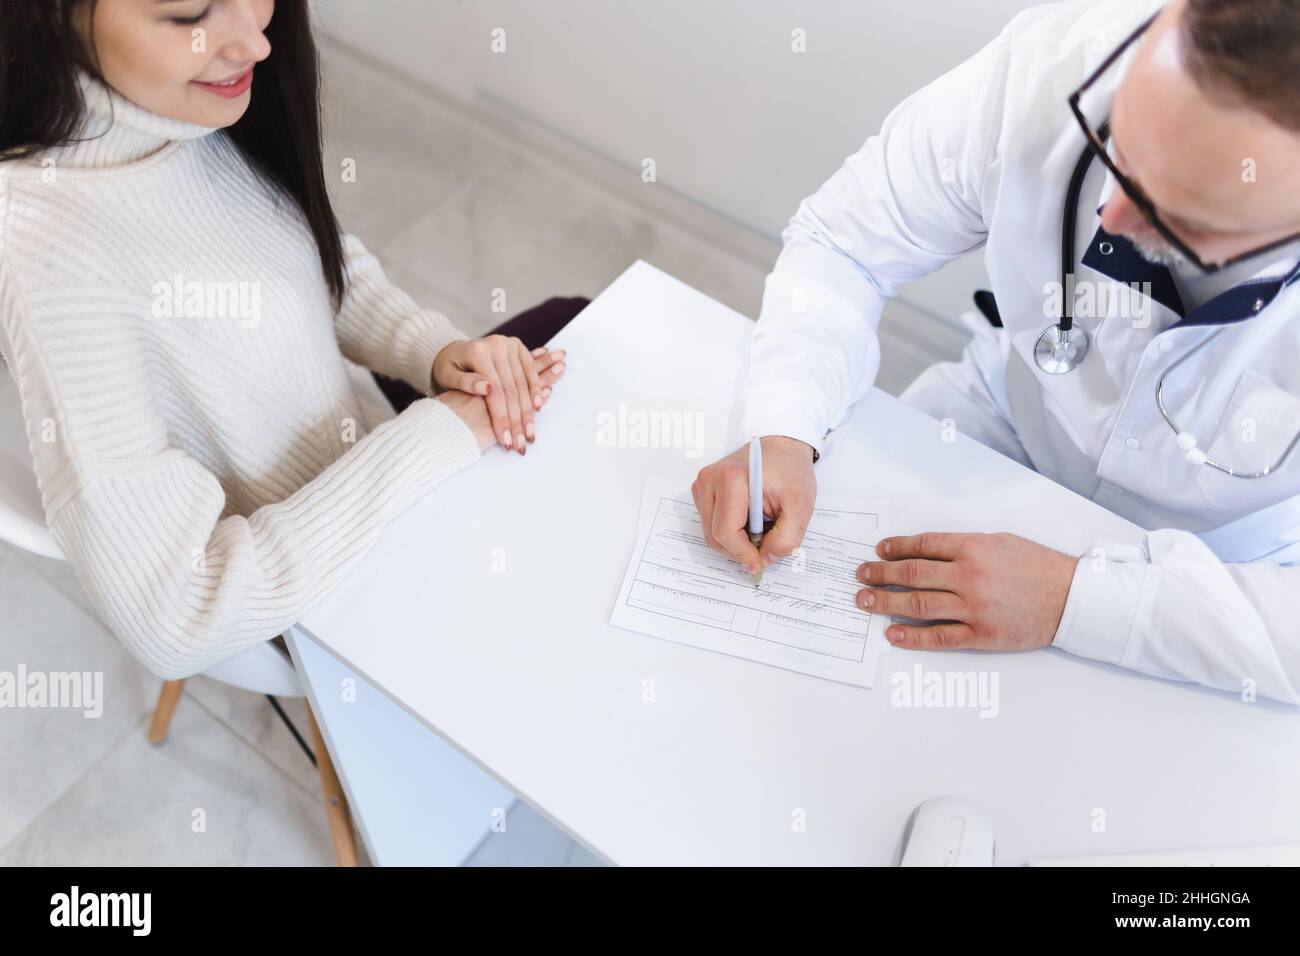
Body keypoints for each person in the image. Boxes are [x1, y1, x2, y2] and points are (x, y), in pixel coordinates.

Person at [693, 0, 1300, 703]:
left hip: (1224, 581)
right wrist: (785, 427)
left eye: (1179, 217)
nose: (1110, 218)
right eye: (1116, 147)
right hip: (1001, 427)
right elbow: (848, 243)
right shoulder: (1059, 59)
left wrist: (1078, 600)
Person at [0, 0, 582, 677]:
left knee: (582, 324)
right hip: (317, 585)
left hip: (368, 455)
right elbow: (177, 616)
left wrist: (435, 354)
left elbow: (315, 269)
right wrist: (433, 436)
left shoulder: (180, 109)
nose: (255, 42)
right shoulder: (48, 259)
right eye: (191, 13)